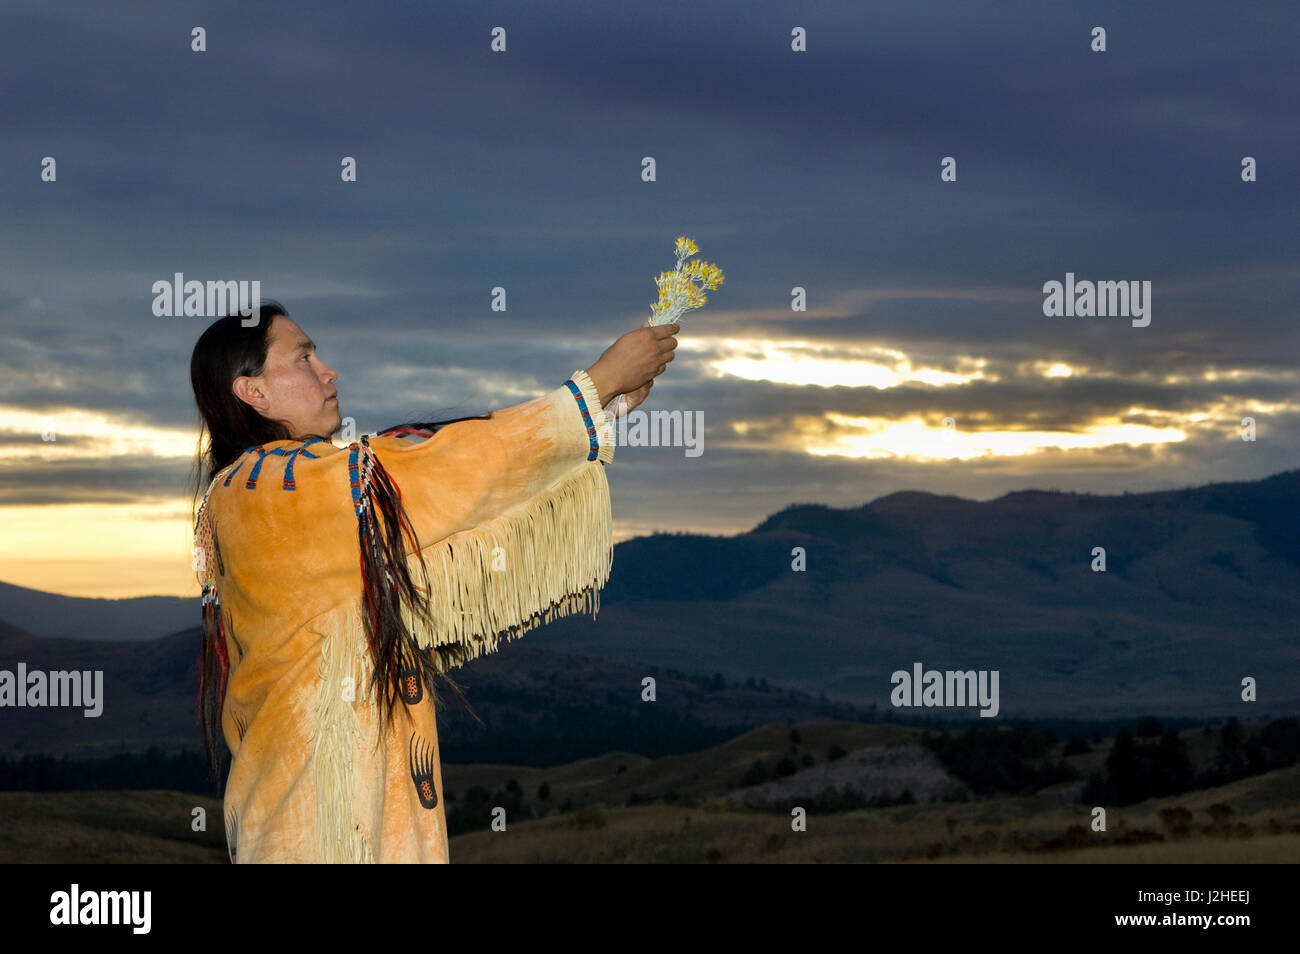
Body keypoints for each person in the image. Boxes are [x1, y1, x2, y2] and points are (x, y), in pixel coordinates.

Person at [188, 300, 678, 862]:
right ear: (252, 392)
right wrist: (595, 386)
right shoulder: (269, 490)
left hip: (328, 818)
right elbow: (438, 472)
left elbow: (450, 518)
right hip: (320, 829)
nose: (328, 371)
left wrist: (598, 410)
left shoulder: (271, 492)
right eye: (303, 357)